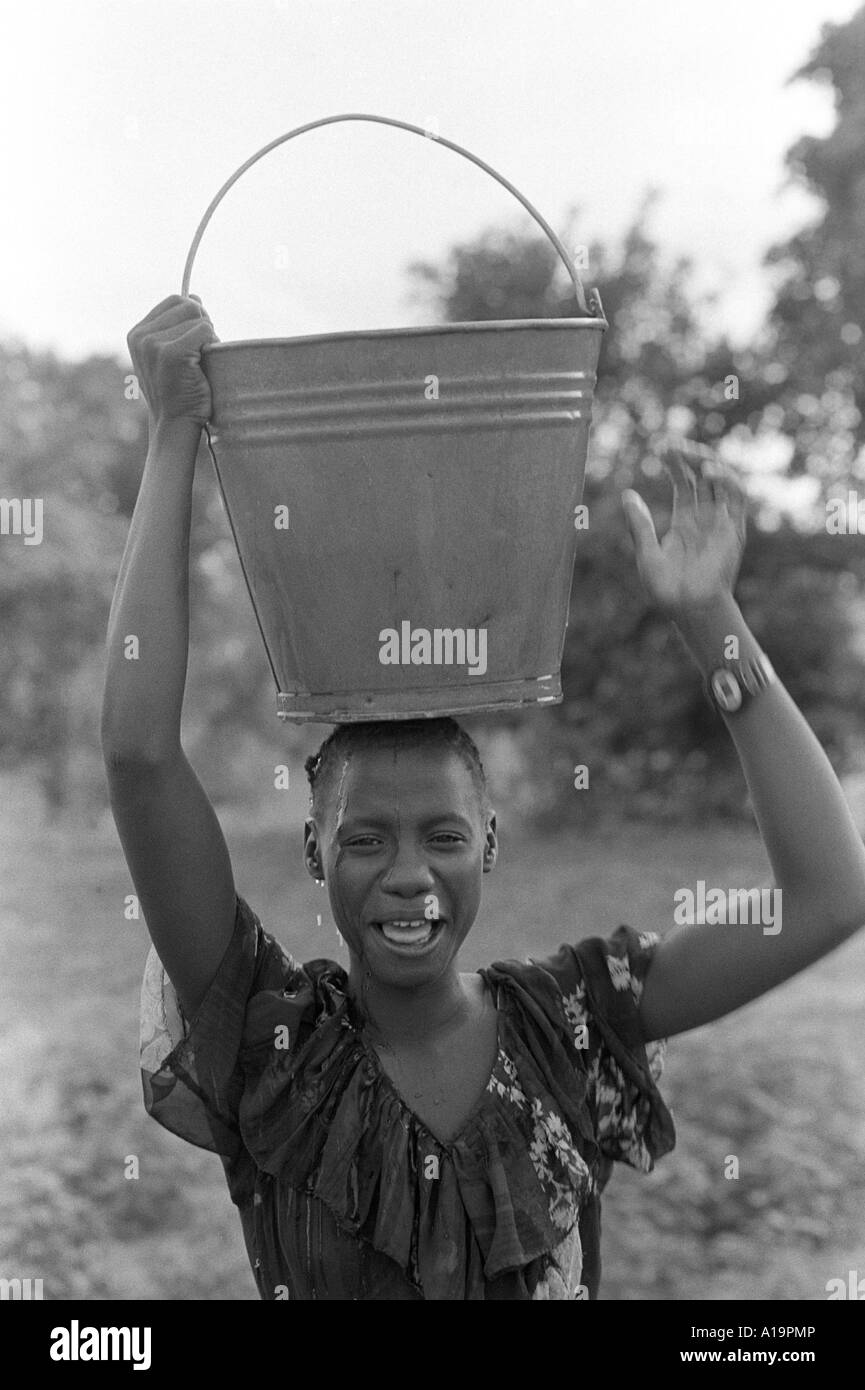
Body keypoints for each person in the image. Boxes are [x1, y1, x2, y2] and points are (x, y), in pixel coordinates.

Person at [103, 294, 865, 1301]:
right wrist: (172, 434)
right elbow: (139, 754)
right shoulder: (271, 1041)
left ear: (491, 843)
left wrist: (708, 620)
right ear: (313, 850)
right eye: (365, 837)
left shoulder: (575, 1025)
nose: (408, 874)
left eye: (444, 834)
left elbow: (826, 894)